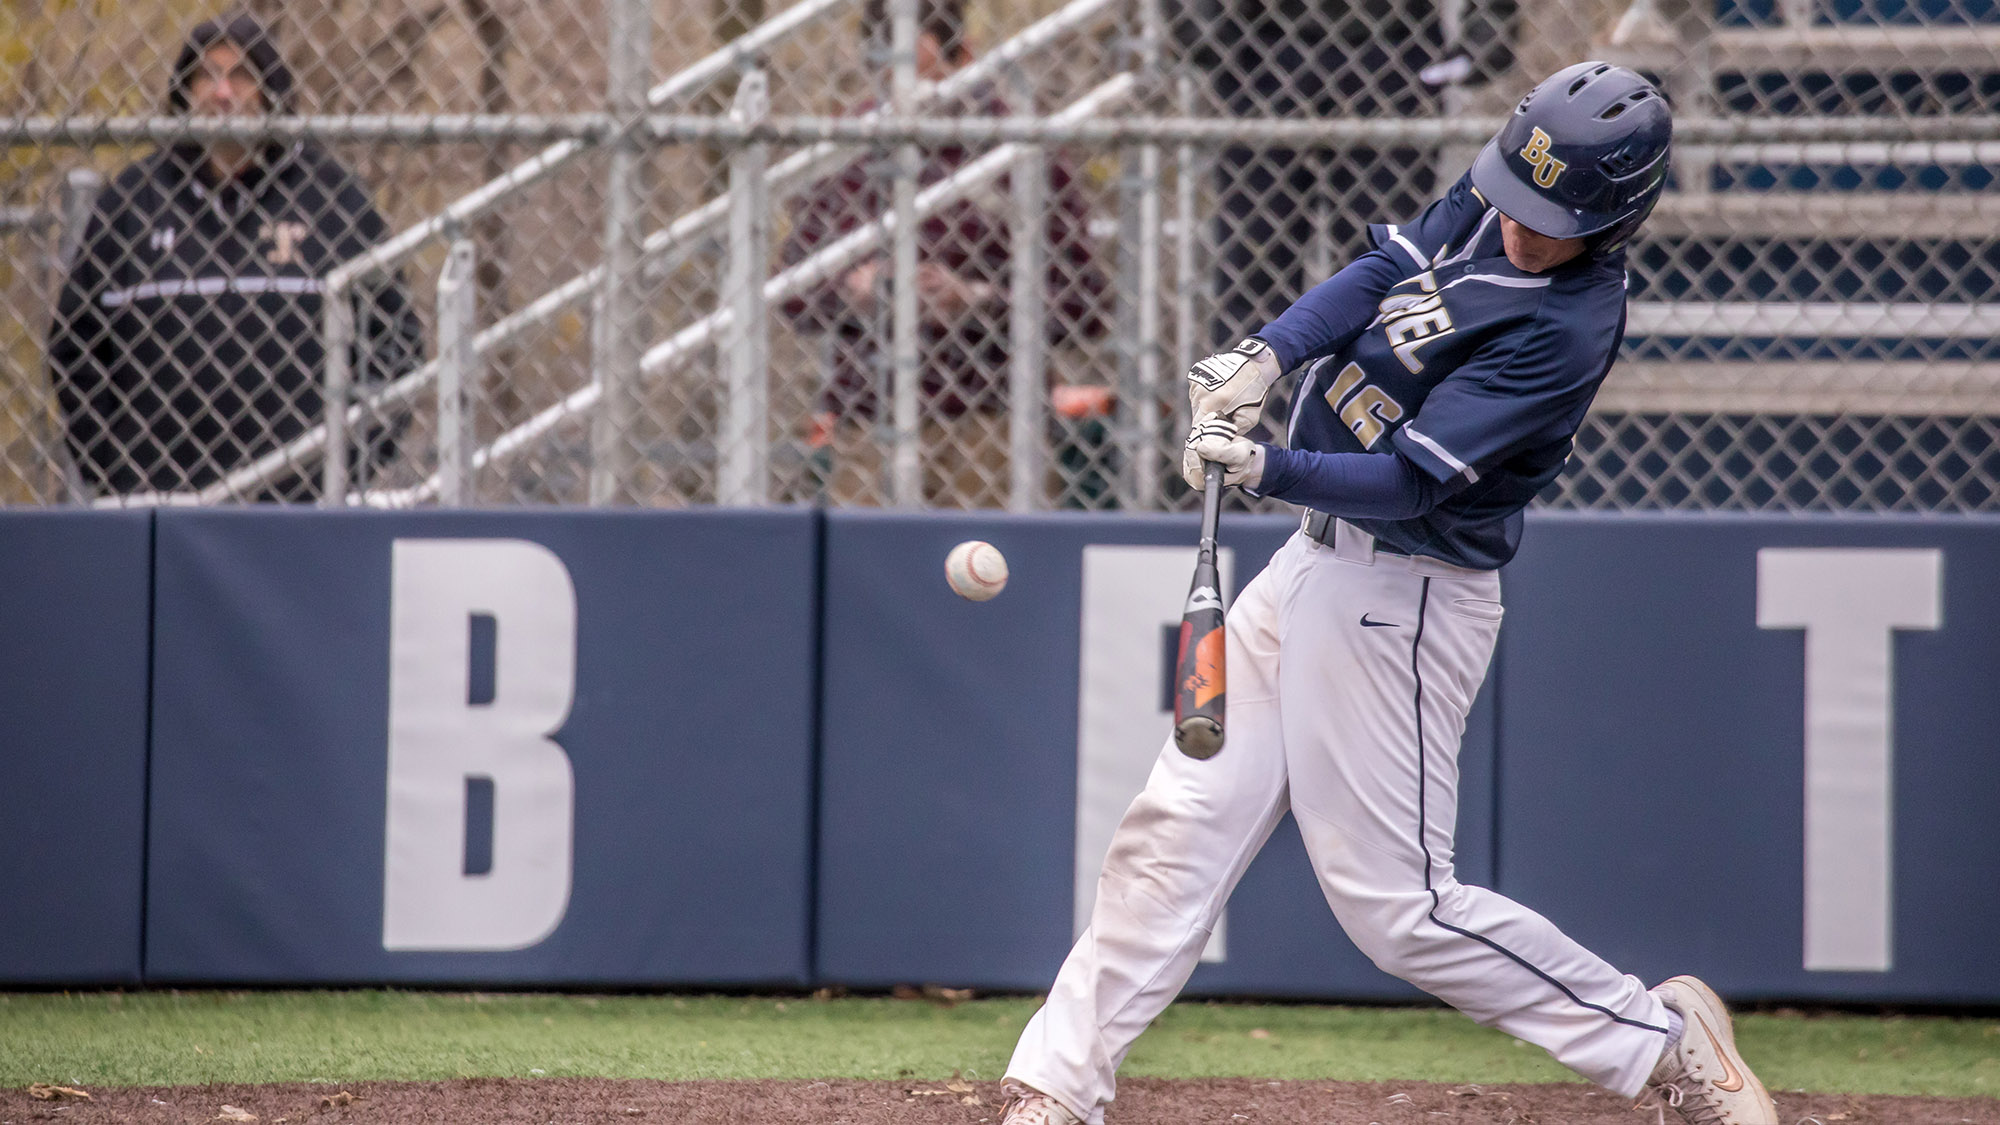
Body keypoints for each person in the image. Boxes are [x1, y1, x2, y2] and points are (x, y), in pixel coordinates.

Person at [999, 64, 1779, 1125]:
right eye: (1512, 196)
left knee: (1399, 910)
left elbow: (1410, 480)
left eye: (1549, 221)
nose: (1516, 227)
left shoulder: (1562, 329)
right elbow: (1381, 270)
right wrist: (1263, 356)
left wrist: (1262, 467)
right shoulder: (1505, 194)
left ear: (1611, 220)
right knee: (1175, 825)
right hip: (1310, 570)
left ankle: (1660, 1042)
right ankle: (1056, 1085)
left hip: (1402, 599)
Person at [48, 12, 421, 501]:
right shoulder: (132, 201)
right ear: (184, 91)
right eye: (208, 75)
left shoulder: (332, 198)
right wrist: (119, 471)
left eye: (242, 75)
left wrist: (341, 467)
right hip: (158, 509)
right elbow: (75, 349)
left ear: (271, 91)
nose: (223, 94)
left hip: (299, 511)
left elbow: (395, 345)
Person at [779, 0, 1107, 508]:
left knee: (994, 566)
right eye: (890, 64)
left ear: (967, 56)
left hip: (990, 417)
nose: (909, 88)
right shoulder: (852, 145)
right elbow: (792, 291)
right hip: (871, 414)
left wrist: (976, 299)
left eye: (925, 65)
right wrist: (855, 290)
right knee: (865, 575)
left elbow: (1086, 303)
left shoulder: (1018, 146)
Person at [1169, 0, 1518, 347]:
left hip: (1393, 43)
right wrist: (1200, 28)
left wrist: (1486, 33)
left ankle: (1370, 395)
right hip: (1264, 44)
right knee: (1252, 259)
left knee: (1386, 261)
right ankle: (1245, 393)